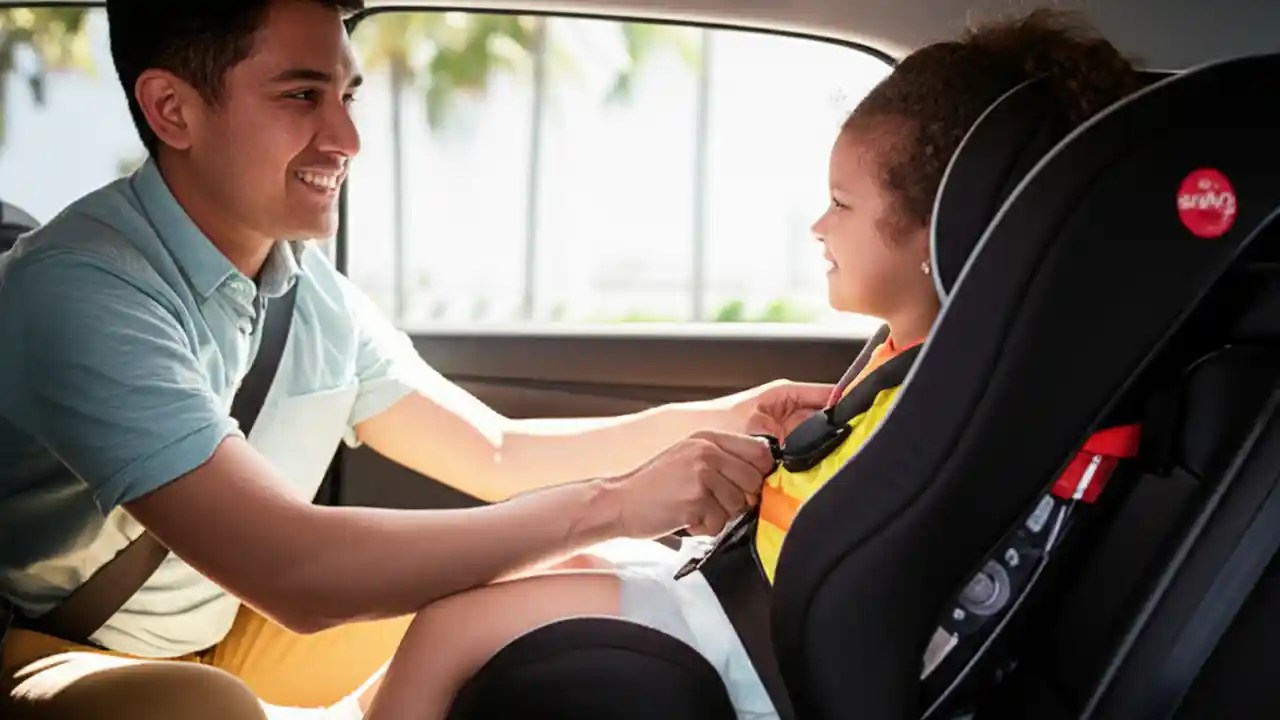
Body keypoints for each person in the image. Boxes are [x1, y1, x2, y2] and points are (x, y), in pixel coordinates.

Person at [0, 1, 834, 718]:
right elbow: (294, 569)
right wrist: (616, 502)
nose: (348, 137)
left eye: (348, 94)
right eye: (302, 95)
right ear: (172, 110)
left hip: (224, 632)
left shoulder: (304, 291)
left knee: (560, 586)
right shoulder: (80, 294)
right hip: (51, 642)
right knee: (196, 708)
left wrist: (736, 416)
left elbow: (498, 454)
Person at [353, 9, 1144, 720]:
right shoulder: (927, 367)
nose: (817, 226)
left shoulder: (961, 399)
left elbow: (861, 561)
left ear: (949, 226)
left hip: (764, 652)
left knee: (447, 625)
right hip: (745, 606)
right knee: (567, 558)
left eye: (841, 202)